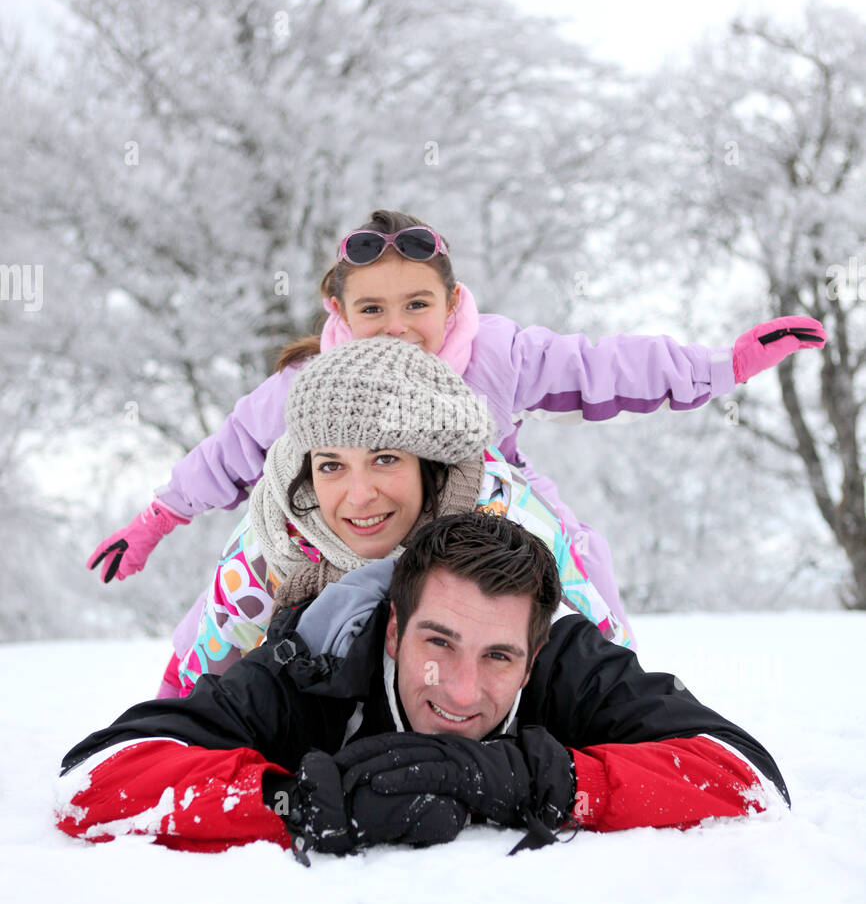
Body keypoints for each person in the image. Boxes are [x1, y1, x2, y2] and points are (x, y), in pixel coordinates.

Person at [86, 210, 827, 658]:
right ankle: (194, 696)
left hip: (484, 524)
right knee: (251, 557)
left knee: (572, 546)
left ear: (451, 300)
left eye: (418, 303)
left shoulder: (495, 352)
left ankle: (607, 678)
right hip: (358, 534)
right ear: (339, 312)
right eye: (373, 310)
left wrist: (719, 367)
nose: (399, 327)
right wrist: (157, 520)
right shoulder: (316, 380)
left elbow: (603, 366)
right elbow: (235, 451)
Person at [57, 512, 789, 859]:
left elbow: (748, 779)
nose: (463, 691)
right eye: (439, 643)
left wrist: (541, 780)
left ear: (534, 659)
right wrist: (296, 801)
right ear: (394, 631)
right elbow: (92, 781)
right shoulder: (315, 660)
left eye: (499, 658)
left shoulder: (569, 658)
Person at [170, 335, 630, 697]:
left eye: (385, 459)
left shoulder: (505, 524)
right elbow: (193, 702)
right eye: (332, 466)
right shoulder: (274, 542)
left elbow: (603, 677)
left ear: (429, 464)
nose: (360, 495)